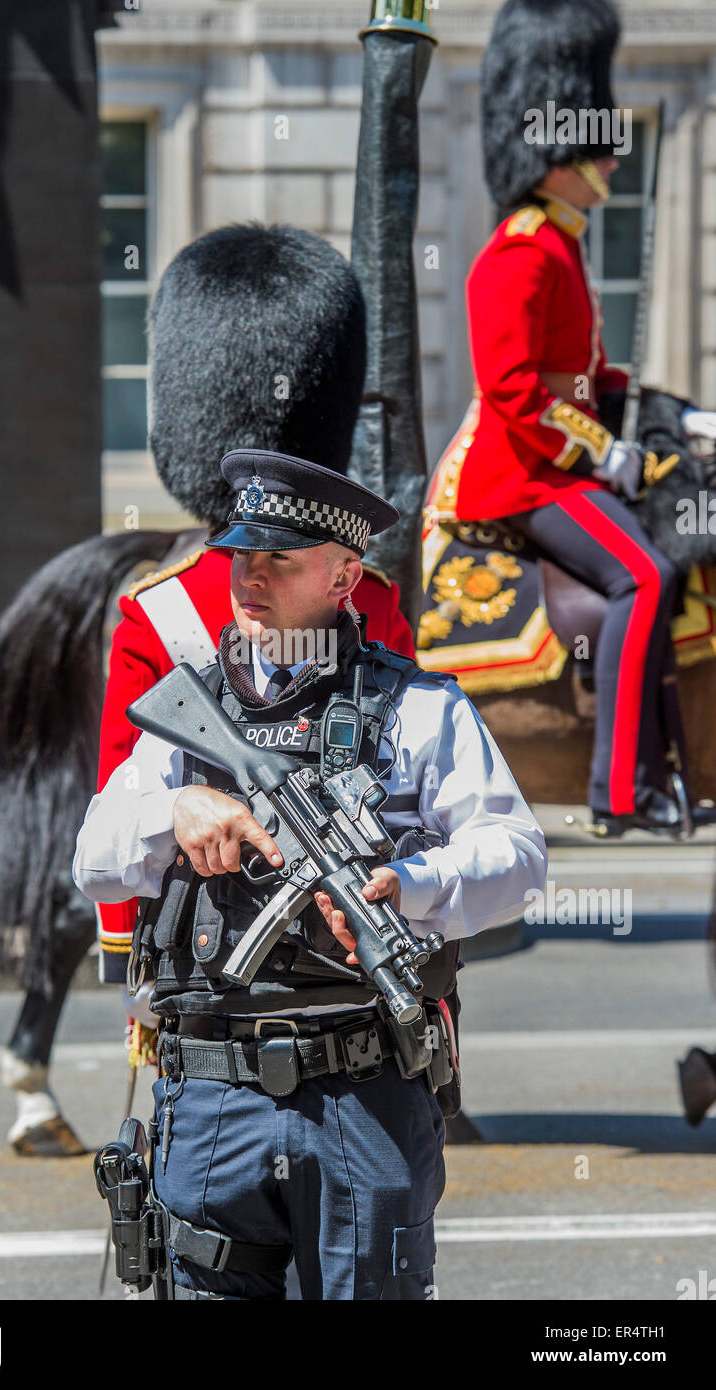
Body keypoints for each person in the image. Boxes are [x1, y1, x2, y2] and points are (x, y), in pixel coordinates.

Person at [74, 449, 547, 1300]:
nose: (248, 581)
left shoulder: (418, 709)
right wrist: (170, 815)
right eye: (240, 560)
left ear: (343, 576)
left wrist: (413, 882)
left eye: (278, 563)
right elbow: (93, 860)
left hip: (363, 1090)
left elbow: (516, 856)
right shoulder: (190, 718)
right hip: (215, 1098)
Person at [96, 224, 413, 987]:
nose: (253, 580)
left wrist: (124, 956)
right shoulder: (368, 600)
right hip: (212, 940)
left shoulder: (157, 611)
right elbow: (117, 800)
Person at [426, 0, 712, 837]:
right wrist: (603, 448)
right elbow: (514, 390)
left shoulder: (561, 242)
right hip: (520, 475)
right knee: (645, 574)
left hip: (555, 462)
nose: (611, 164)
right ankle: (618, 790)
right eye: (597, 151)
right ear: (552, 154)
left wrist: (672, 416)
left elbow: (583, 372)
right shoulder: (517, 251)